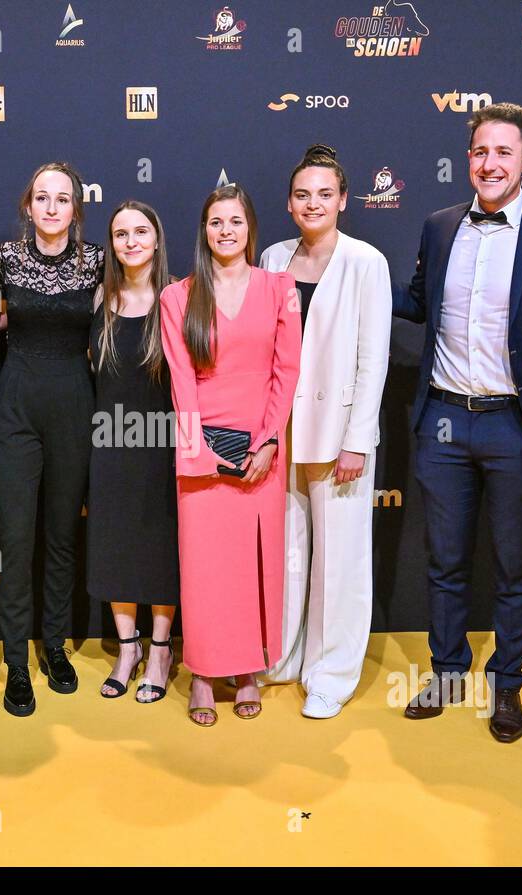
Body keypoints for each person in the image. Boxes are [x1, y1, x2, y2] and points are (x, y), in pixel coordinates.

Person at [392, 103, 522, 742]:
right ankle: (447, 673)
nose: (490, 163)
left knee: (514, 566)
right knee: (444, 562)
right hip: (445, 421)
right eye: (480, 151)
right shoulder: (438, 226)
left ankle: (508, 688)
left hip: (515, 424)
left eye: (504, 152)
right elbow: (416, 304)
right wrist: (336, 275)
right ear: (467, 157)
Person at [260, 145, 392, 719]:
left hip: (339, 435)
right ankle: (281, 657)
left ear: (343, 200)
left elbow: (374, 358)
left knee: (338, 559)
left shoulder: (367, 262)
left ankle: (331, 675)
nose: (313, 203)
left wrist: (357, 439)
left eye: (324, 194)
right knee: (286, 553)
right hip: (281, 432)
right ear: (290, 204)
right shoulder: (271, 257)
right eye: (302, 194)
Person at [160, 183, 301, 726]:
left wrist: (268, 442)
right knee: (204, 568)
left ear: (250, 229)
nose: (226, 231)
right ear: (205, 230)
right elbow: (182, 382)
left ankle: (246, 670)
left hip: (261, 451)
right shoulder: (179, 296)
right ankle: (200, 670)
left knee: (252, 565)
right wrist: (200, 453)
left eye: (235, 221)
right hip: (203, 455)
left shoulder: (279, 288)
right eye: (216, 222)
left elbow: (285, 372)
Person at [0, 162, 104, 717]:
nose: (52, 207)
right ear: (28, 206)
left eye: (63, 199)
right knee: (16, 539)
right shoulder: (3, 259)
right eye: (42, 197)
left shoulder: (98, 262)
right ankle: (16, 662)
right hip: (14, 409)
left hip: (74, 408)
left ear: (76, 209)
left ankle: (54, 645)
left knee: (61, 535)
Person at [88, 200, 180, 703]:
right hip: (110, 440)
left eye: (140, 231)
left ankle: (161, 650)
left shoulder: (181, 296)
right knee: (116, 544)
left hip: (164, 443)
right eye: (121, 233)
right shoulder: (100, 297)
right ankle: (128, 648)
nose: (131, 242)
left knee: (161, 546)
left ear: (157, 238)